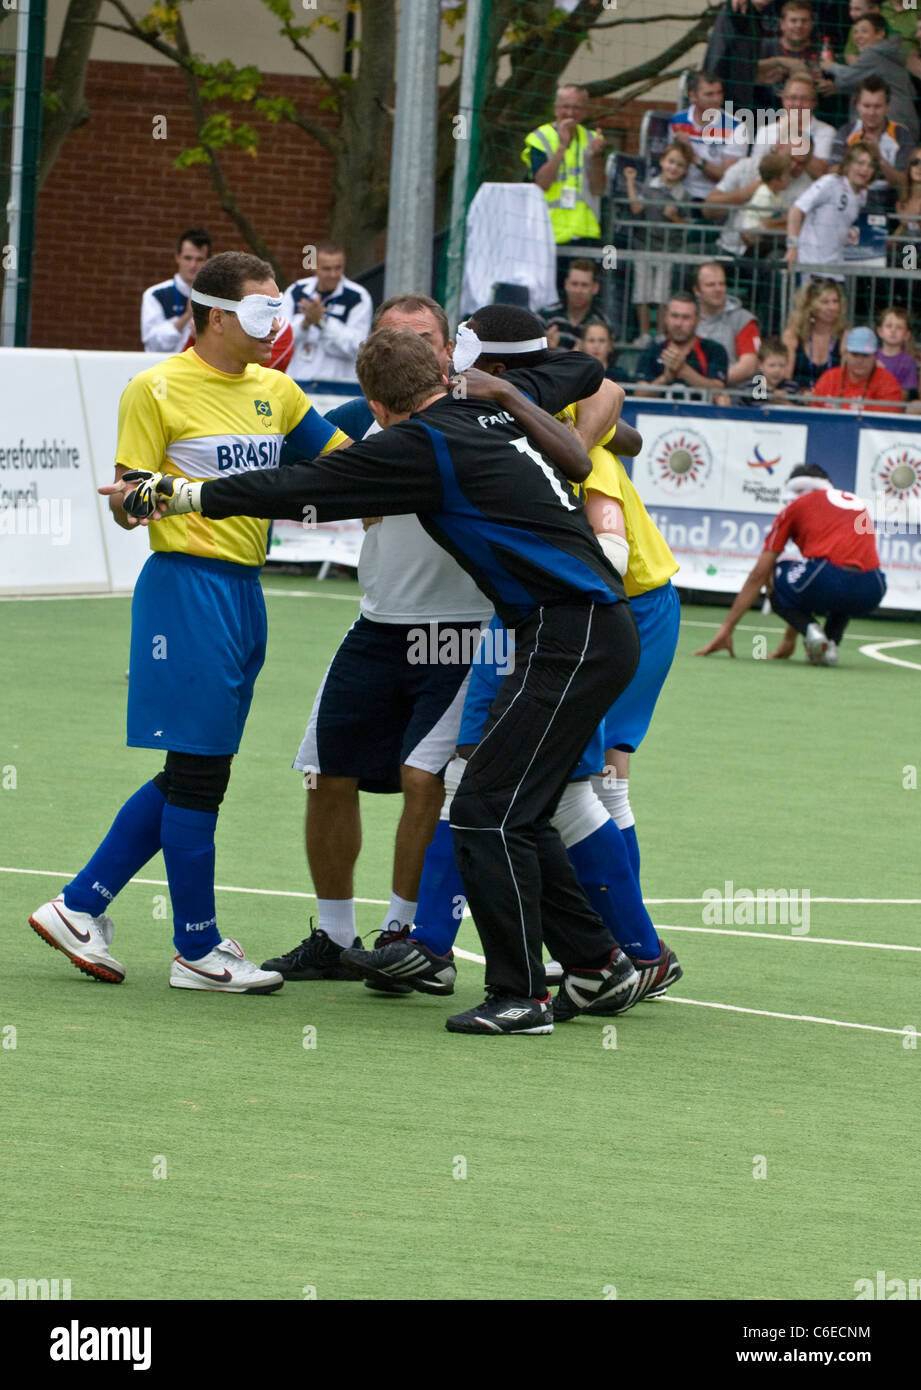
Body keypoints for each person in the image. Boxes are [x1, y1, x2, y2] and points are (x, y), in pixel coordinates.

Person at [110, 329, 650, 1037]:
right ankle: (596, 965)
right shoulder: (484, 405)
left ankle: (520, 996)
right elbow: (581, 366)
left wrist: (173, 494)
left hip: (566, 634)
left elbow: (297, 486)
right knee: (517, 804)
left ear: (374, 405)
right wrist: (501, 386)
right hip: (581, 631)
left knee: (486, 810)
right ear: (442, 370)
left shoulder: (414, 443)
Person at [30, 251, 350, 994]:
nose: (276, 323)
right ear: (213, 315)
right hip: (185, 590)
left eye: (280, 307)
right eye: (261, 309)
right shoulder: (157, 386)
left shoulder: (279, 391)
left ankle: (79, 907)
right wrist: (161, 494)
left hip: (246, 591)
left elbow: (346, 464)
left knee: (193, 767)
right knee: (201, 772)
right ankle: (196, 951)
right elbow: (126, 503)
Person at [258, 294, 494, 988]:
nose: (408, 353)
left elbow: (605, 408)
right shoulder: (362, 418)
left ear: (447, 350)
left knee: (427, 782)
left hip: (461, 628)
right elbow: (307, 475)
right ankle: (334, 937)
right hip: (379, 619)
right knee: (325, 772)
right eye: (392, 340)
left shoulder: (475, 418)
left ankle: (406, 938)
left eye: (421, 340)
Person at [695, 463, 886, 665]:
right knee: (841, 583)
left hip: (827, 580)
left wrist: (727, 629)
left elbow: (758, 575)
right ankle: (829, 645)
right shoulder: (855, 502)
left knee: (773, 573)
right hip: (873, 589)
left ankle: (812, 632)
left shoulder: (795, 507)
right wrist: (789, 637)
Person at [522, 84, 607, 279]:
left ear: (585, 111)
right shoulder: (540, 137)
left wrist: (596, 155)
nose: (570, 112)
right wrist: (563, 146)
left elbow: (599, 188)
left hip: (586, 233)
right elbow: (542, 183)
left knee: (582, 292)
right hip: (549, 234)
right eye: (564, 106)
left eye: (577, 107)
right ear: (555, 108)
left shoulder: (592, 138)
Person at [623, 142, 691, 346]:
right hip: (643, 245)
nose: (673, 167)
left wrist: (675, 216)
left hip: (667, 249)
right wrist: (630, 181)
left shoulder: (683, 195)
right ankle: (644, 334)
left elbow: (686, 224)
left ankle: (661, 334)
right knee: (642, 292)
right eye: (670, 161)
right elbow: (635, 208)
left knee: (661, 294)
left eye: (679, 165)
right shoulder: (648, 186)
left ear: (685, 170)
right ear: (662, 162)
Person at [281, 241, 373, 384]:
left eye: (338, 268)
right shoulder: (296, 291)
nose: (333, 274)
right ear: (313, 266)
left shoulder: (358, 296)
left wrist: (321, 322)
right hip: (296, 382)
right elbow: (279, 338)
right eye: (326, 269)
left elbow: (356, 347)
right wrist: (305, 323)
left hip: (336, 388)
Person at [704, 142, 812, 258]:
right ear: (778, 147)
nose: (793, 166)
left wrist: (767, 228)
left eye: (801, 163)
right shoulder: (746, 167)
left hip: (768, 251)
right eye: (791, 158)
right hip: (728, 246)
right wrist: (744, 194)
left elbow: (805, 227)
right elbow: (708, 210)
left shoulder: (808, 187)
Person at [820, 15, 920, 139]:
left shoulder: (874, 53)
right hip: (905, 121)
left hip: (891, 124)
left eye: (864, 31)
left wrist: (830, 66)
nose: (858, 36)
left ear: (880, 34)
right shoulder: (891, 52)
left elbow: (847, 78)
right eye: (855, 32)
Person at [784, 141, 877, 273]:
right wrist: (792, 248)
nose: (865, 169)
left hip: (835, 267)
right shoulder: (831, 182)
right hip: (811, 264)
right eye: (860, 163)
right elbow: (796, 209)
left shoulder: (862, 197)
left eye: (870, 165)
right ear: (849, 164)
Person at [830, 75, 914, 214]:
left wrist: (878, 158)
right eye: (866, 106)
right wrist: (856, 159)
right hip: (850, 198)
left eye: (877, 106)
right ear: (857, 105)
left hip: (889, 201)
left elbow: (903, 183)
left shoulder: (901, 133)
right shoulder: (846, 132)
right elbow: (831, 172)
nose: (871, 112)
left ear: (888, 106)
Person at [667, 71, 747, 203]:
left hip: (716, 199)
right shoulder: (677, 121)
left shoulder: (736, 128)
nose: (717, 99)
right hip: (679, 194)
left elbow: (729, 180)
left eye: (719, 93)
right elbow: (669, 163)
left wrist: (693, 156)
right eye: (709, 94)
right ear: (693, 96)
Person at [634, 290, 731, 397]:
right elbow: (639, 394)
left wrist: (683, 369)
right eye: (674, 316)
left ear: (697, 320)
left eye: (686, 317)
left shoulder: (715, 350)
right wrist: (666, 378)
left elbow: (717, 391)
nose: (678, 323)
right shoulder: (651, 351)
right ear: (666, 318)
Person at [140, 228, 210, 353]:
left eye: (199, 259)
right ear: (177, 257)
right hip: (166, 369)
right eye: (188, 258)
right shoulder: (155, 294)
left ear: (208, 261)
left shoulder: (215, 296)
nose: (193, 265)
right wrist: (187, 316)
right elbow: (153, 346)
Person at [752, 73, 836, 177]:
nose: (797, 104)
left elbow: (820, 173)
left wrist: (794, 141)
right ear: (783, 100)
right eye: (792, 97)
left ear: (814, 103)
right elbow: (755, 170)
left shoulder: (826, 132)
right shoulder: (765, 131)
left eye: (804, 99)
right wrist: (778, 145)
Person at [693, 262, 762, 387]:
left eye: (722, 284)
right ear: (697, 290)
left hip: (735, 397)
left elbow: (748, 366)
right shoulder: (687, 317)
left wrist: (713, 383)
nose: (718, 289)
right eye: (711, 285)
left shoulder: (743, 319)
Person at [812, 324, 904, 408]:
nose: (860, 361)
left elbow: (887, 421)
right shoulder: (829, 378)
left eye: (865, 355)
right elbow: (812, 412)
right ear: (846, 355)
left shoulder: (888, 383)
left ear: (875, 356)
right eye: (855, 354)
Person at [781, 276, 848, 385]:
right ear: (810, 305)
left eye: (835, 301)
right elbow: (785, 377)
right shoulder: (792, 335)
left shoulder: (845, 336)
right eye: (825, 302)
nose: (832, 307)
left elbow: (845, 380)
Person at [537, 259, 611, 349]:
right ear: (566, 284)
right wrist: (546, 347)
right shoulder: (546, 316)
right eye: (574, 284)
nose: (578, 291)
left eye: (584, 285)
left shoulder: (601, 323)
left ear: (595, 288)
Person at [757, 1, 822, 101]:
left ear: (812, 24)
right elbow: (747, 69)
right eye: (793, 21)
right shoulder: (767, 45)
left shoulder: (820, 50)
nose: (799, 25)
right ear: (782, 24)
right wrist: (778, 61)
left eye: (804, 21)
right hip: (767, 108)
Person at [740, 335, 802, 402]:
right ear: (760, 365)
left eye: (782, 365)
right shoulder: (750, 388)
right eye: (772, 365)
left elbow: (800, 410)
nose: (777, 370)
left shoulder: (793, 388)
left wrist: (784, 402)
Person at [875, 306, 918, 396]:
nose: (893, 330)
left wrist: (884, 376)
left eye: (899, 327)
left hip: (894, 405)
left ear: (906, 335)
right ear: (880, 331)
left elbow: (905, 394)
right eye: (889, 326)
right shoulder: (871, 356)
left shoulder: (908, 362)